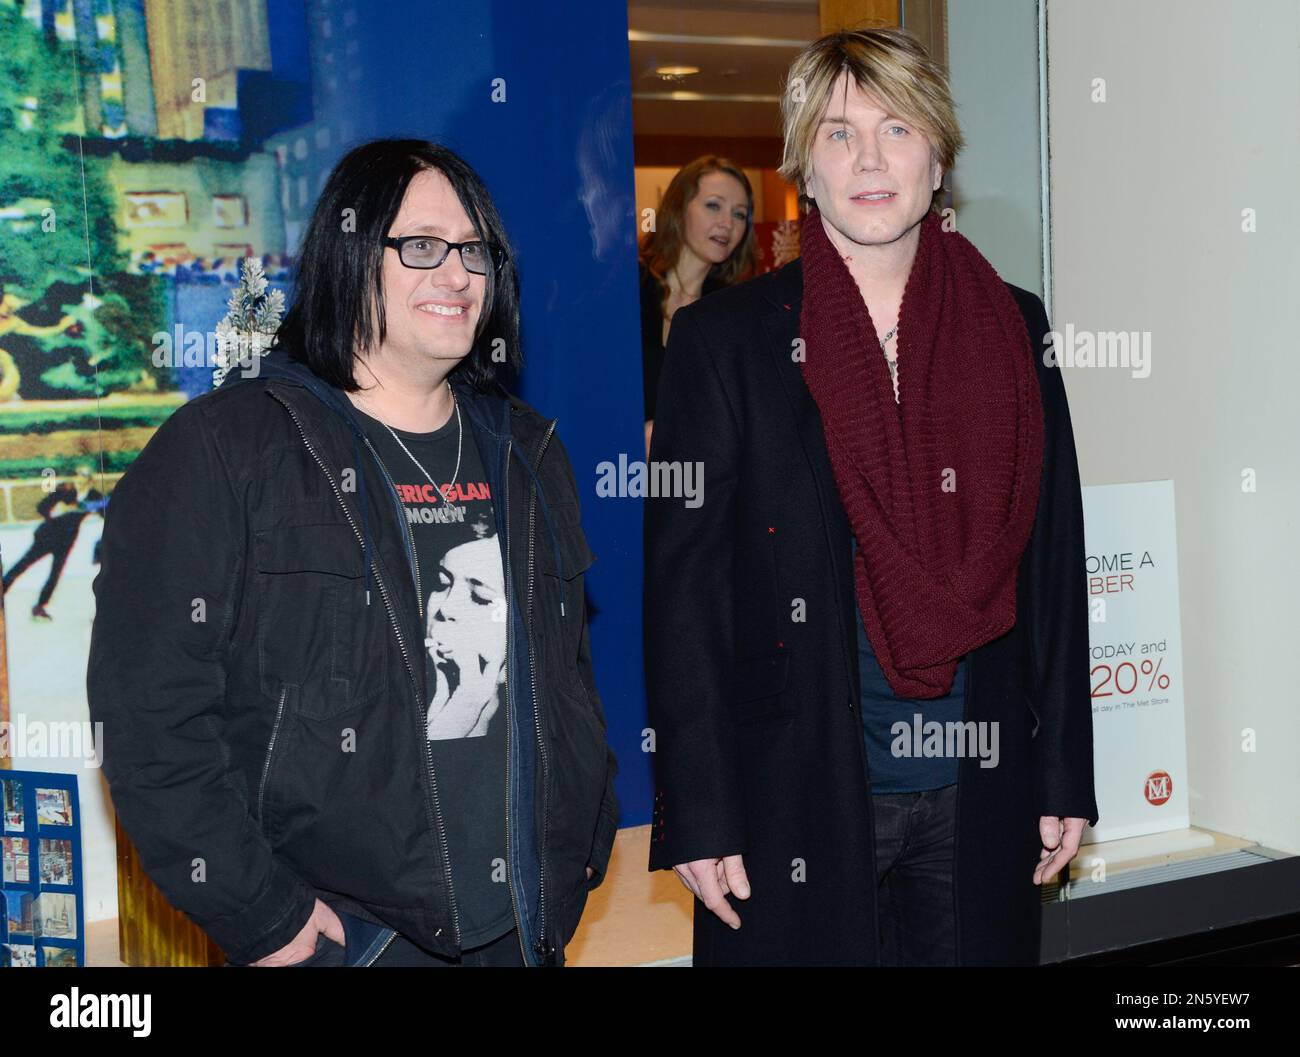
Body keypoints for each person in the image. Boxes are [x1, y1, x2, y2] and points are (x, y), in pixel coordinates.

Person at [87, 138, 618, 968]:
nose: (457, 275)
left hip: (525, 929)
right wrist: (264, 915)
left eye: (474, 250)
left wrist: (585, 834)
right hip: (353, 941)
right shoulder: (226, 449)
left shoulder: (528, 451)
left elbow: (568, 680)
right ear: (346, 254)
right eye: (421, 247)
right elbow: (149, 718)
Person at [644, 27, 1098, 966]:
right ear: (803, 167)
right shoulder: (726, 341)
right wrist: (699, 808)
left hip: (982, 789)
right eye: (838, 134)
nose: (869, 159)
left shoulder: (1014, 323)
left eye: (896, 129)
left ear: (938, 159)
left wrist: (1065, 772)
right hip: (794, 796)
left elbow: (1053, 555)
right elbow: (684, 596)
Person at [639, 156, 757, 455]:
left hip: (694, 484)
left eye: (740, 214)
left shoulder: (736, 315)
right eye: (713, 205)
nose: (727, 223)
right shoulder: (627, 289)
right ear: (678, 208)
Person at [2, 463, 104, 620]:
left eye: (84, 476)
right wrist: (55, 510)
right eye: (78, 474)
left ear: (90, 480)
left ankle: (40, 607)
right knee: (23, 565)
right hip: (47, 536)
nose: (79, 478)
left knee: (55, 574)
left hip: (66, 541)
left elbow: (105, 512)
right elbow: (42, 506)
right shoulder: (64, 489)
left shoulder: (94, 496)